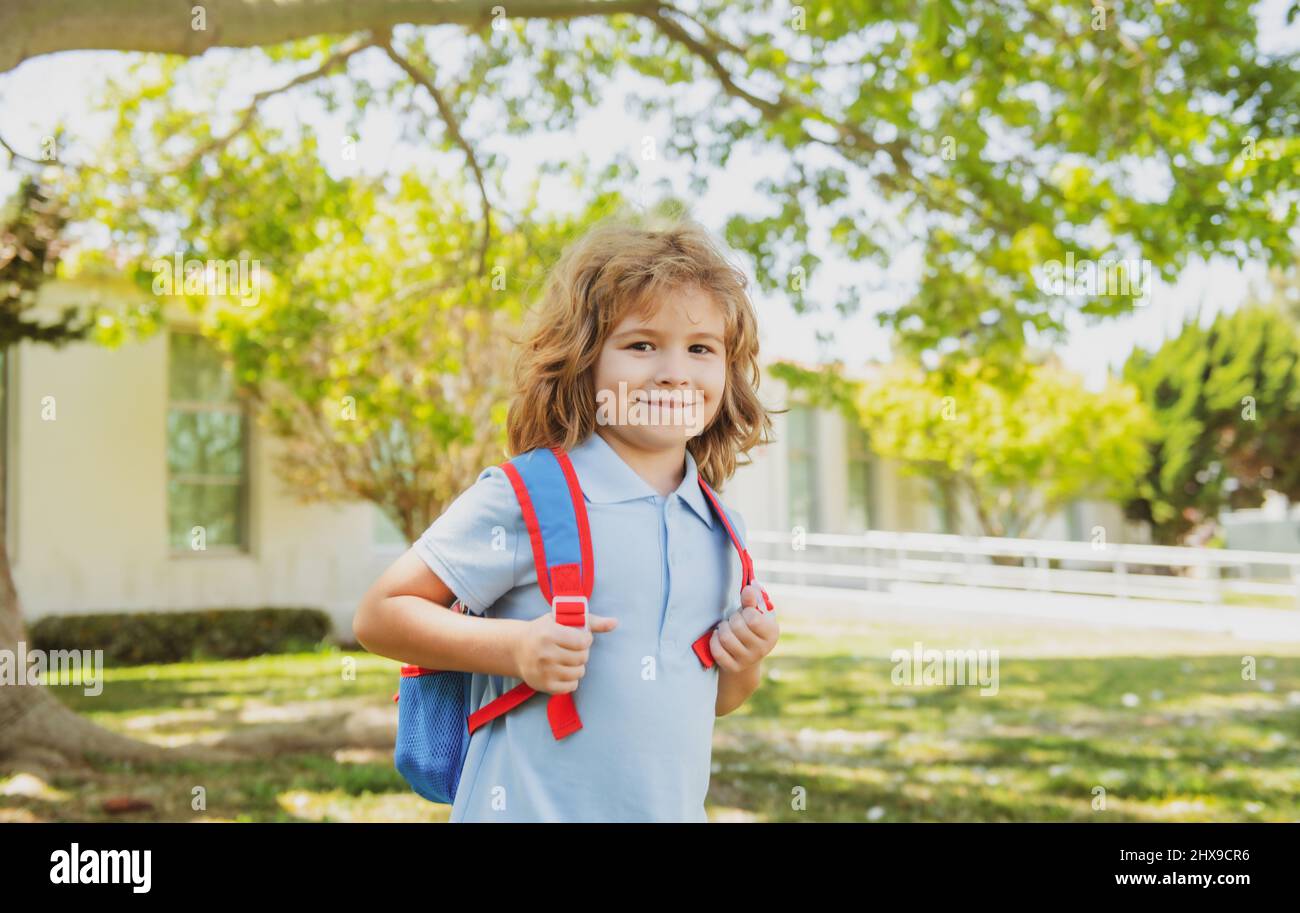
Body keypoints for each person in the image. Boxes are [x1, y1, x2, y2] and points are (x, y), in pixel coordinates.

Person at [354, 216, 779, 822]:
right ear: (584, 362)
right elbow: (380, 615)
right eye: (641, 344)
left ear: (726, 372)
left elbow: (712, 701)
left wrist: (746, 660)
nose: (674, 372)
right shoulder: (527, 495)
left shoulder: (719, 527)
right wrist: (518, 647)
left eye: (701, 349)